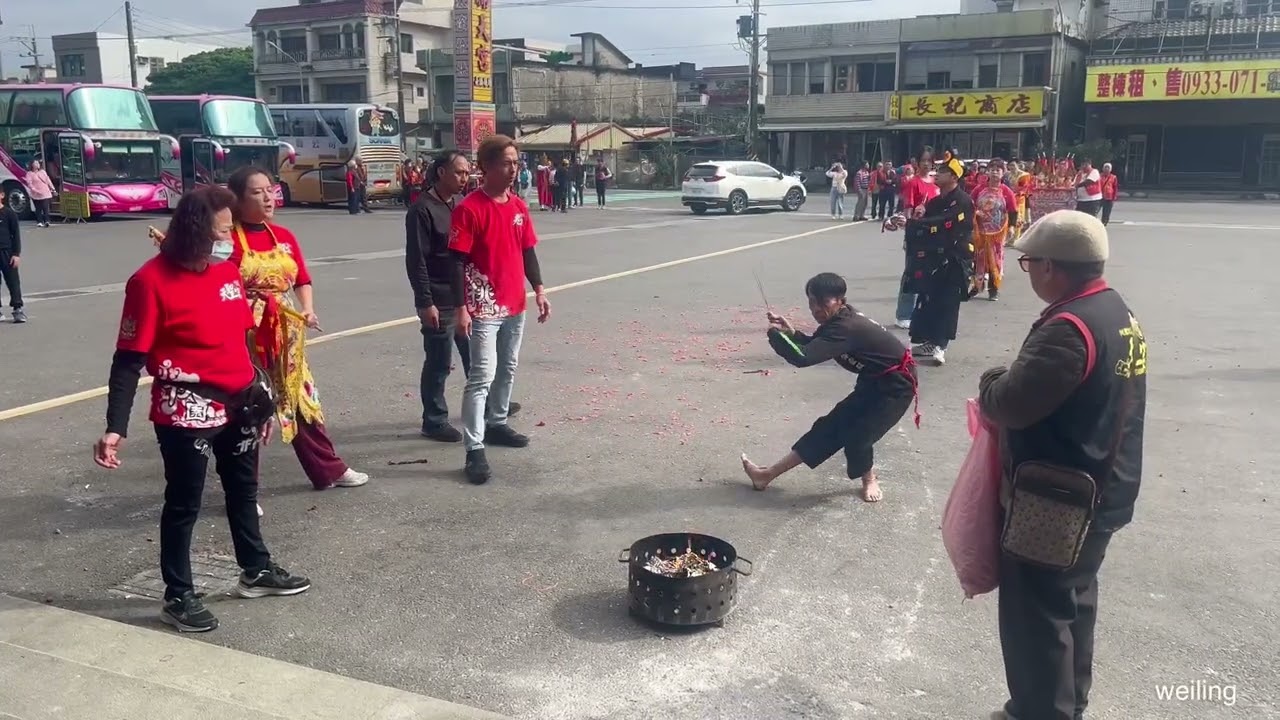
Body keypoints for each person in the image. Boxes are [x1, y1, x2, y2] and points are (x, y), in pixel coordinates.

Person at [96, 186, 311, 633]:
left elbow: (240, 343)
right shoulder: (148, 282)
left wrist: (264, 400)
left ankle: (255, 569)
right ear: (197, 230)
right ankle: (178, 594)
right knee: (184, 503)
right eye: (223, 231)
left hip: (239, 403)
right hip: (186, 407)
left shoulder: (226, 276)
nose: (230, 239)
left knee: (244, 491)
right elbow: (128, 359)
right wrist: (115, 426)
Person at [979, 210, 1146, 720]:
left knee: (1037, 617)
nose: (1026, 272)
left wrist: (991, 378)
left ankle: (1041, 712)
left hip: (1058, 500)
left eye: (1029, 263)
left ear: (1051, 267)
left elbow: (1010, 403)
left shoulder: (1068, 329)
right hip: (1104, 486)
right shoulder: (1115, 310)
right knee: (1072, 604)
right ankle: (1068, 705)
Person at [225, 167, 370, 491]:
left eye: (270, 189)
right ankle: (243, 491)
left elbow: (302, 279)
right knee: (249, 409)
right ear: (237, 199)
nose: (268, 197)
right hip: (246, 337)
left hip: (286, 336)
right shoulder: (227, 240)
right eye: (257, 191)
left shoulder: (285, 237)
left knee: (303, 400)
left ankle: (328, 470)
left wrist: (307, 309)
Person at [740, 272, 918, 503]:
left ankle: (870, 479)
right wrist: (791, 333)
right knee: (829, 427)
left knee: (859, 437)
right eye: (812, 302)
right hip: (873, 380)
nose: (815, 309)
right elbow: (816, 346)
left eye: (822, 303)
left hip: (896, 388)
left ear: (839, 300)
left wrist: (776, 337)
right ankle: (765, 475)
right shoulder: (836, 321)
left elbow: (803, 358)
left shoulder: (846, 326)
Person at [449, 135, 551, 485]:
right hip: (482, 307)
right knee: (481, 377)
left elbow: (528, 253)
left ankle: (497, 423)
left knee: (507, 367)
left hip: (514, 303)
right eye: (506, 163)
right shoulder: (469, 209)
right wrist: (461, 307)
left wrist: (538, 289)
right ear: (487, 167)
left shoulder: (519, 207)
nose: (513, 169)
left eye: (515, 162)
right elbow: (456, 263)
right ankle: (474, 448)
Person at [407, 150, 523, 442]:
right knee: (439, 361)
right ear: (442, 172)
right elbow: (416, 260)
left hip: (466, 294)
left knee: (479, 359)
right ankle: (433, 420)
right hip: (439, 298)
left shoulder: (459, 204)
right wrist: (425, 302)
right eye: (459, 172)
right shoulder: (422, 210)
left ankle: (491, 407)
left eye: (467, 172)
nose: (464, 178)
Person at [906, 151, 974, 366]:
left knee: (947, 302)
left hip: (954, 258)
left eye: (943, 171)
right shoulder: (936, 200)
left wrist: (916, 223)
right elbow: (926, 216)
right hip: (934, 258)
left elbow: (945, 221)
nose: (938, 173)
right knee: (928, 298)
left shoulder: (962, 201)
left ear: (954, 177)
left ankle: (940, 345)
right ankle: (928, 340)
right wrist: (914, 215)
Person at [970, 159, 1018, 301]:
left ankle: (993, 288)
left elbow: (1013, 210)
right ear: (988, 172)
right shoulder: (979, 189)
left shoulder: (1006, 191)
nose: (995, 172)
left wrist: (1012, 227)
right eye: (992, 169)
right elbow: (970, 204)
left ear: (1003, 173)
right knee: (979, 258)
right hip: (981, 230)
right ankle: (977, 286)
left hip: (997, 231)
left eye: (998, 169)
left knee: (994, 260)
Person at [0, 201, 23, 323]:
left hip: (7, 252)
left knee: (13, 281)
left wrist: (16, 254)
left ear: (2, 195)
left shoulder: (9, 213)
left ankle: (17, 308)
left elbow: (16, 235)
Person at [27, 160, 55, 228]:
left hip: (45, 192)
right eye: (35, 163)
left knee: (45, 207)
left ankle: (47, 221)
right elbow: (29, 183)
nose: (37, 164)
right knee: (38, 208)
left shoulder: (43, 172)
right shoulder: (29, 174)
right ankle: (39, 221)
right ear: (32, 165)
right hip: (35, 193)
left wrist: (53, 188)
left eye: (38, 163)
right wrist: (34, 190)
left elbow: (48, 180)